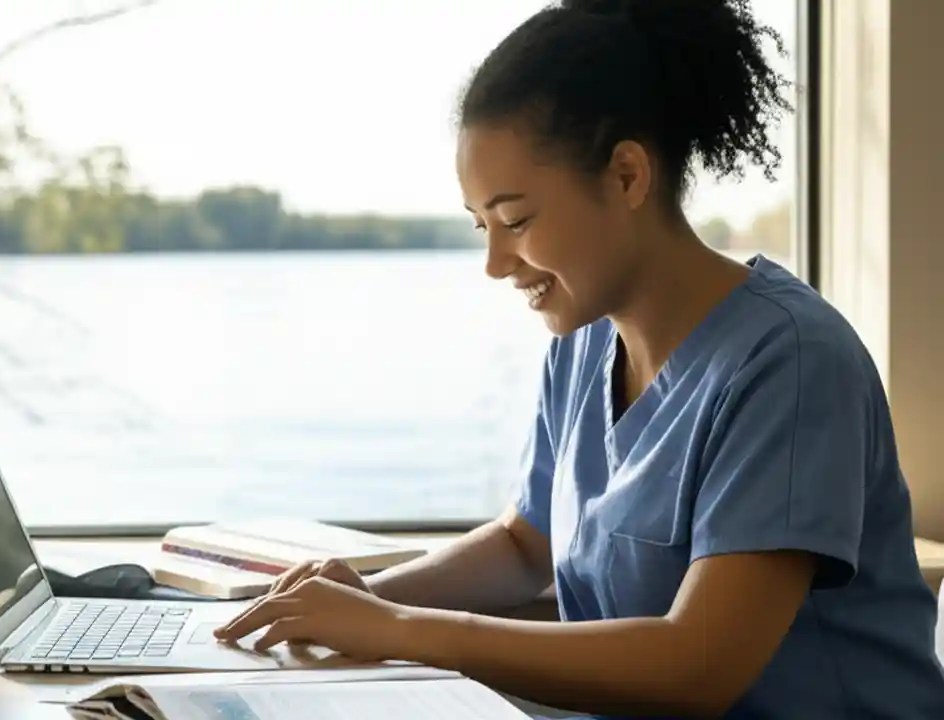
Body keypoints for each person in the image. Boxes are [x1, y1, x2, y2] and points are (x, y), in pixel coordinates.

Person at [214, 0, 944, 717]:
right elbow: (524, 543)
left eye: (516, 221)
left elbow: (700, 666)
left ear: (627, 176)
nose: (496, 264)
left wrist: (400, 632)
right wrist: (367, 599)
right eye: (481, 227)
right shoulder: (586, 341)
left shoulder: (789, 361)